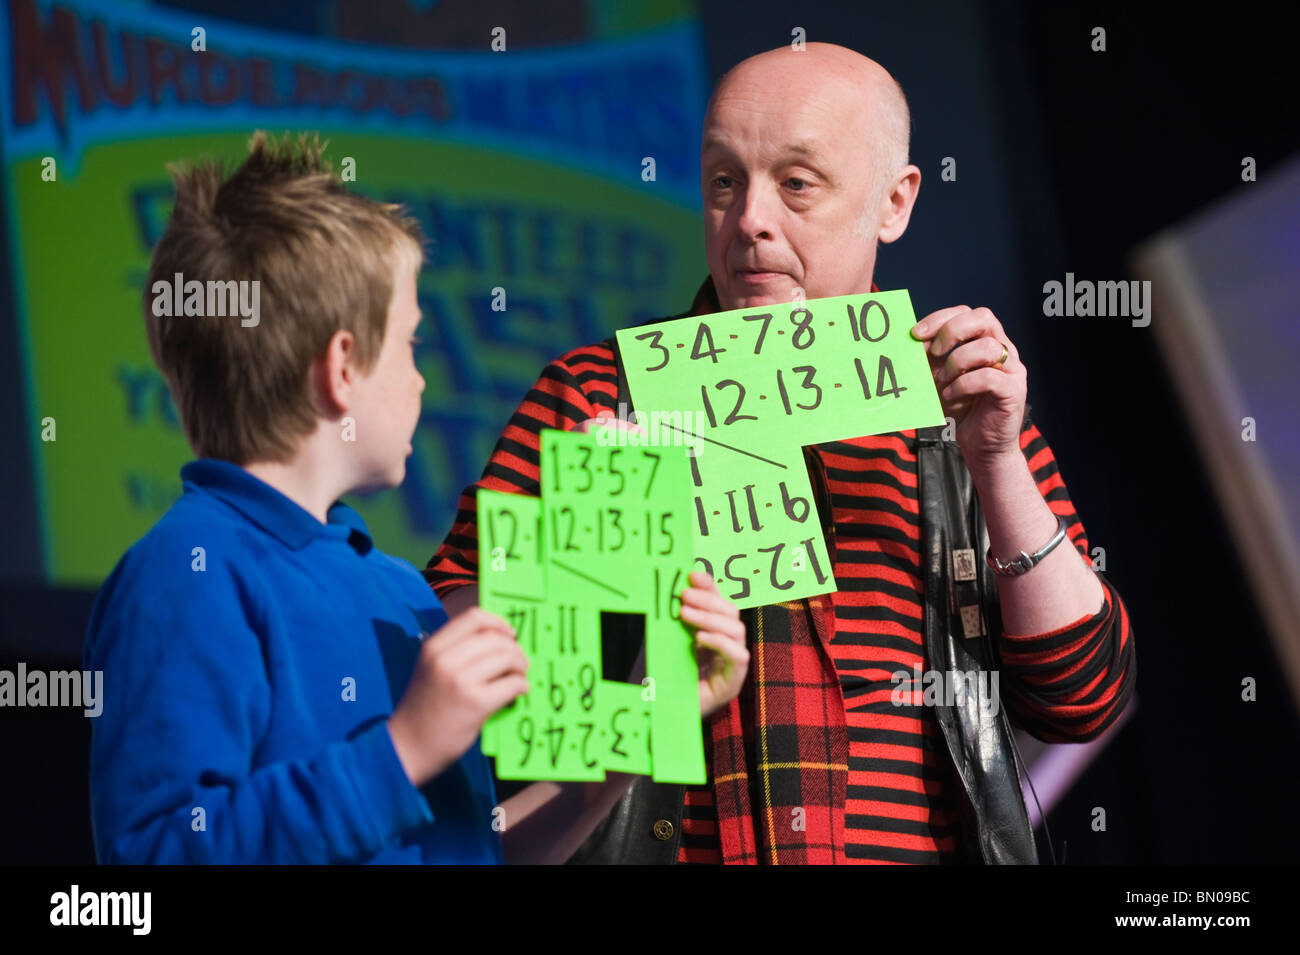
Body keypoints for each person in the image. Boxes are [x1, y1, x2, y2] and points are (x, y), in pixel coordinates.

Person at [425, 44, 1136, 864]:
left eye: (796, 184)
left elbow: (1085, 698)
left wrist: (1000, 460)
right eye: (724, 182)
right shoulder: (597, 393)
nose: (750, 219)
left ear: (894, 203)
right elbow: (454, 661)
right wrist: (595, 546)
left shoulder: (957, 406)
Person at [83, 132, 750, 864]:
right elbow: (150, 860)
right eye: (411, 343)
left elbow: (484, 849)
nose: (421, 379)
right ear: (342, 367)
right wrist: (403, 749)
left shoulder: (398, 590)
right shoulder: (186, 572)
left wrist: (648, 726)